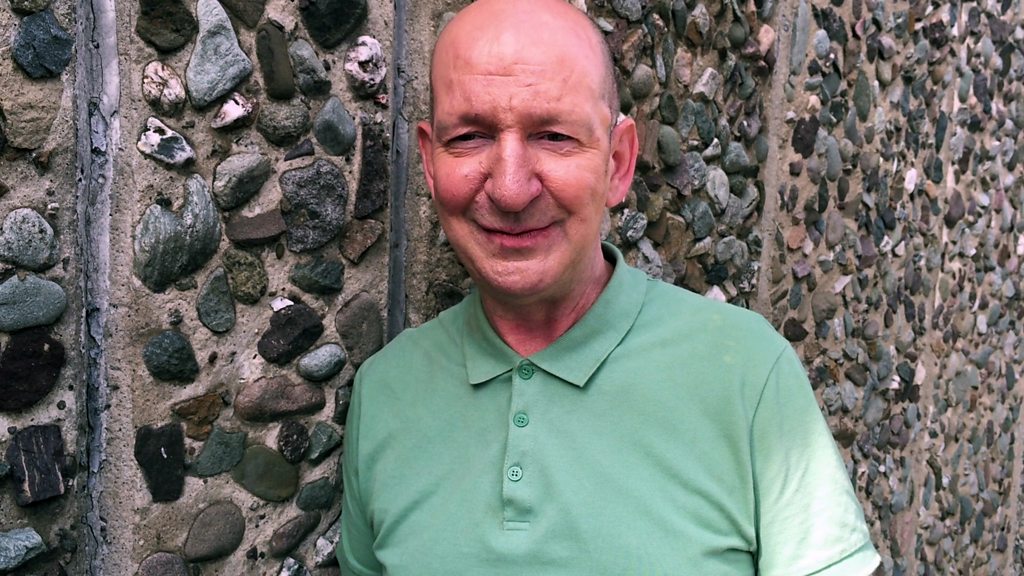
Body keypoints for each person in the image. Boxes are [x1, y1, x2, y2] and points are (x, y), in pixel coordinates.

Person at [337, 0, 881, 573]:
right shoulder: (384, 393)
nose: (511, 189)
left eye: (553, 136)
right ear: (428, 162)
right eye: (471, 137)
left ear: (618, 163)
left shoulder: (748, 375)